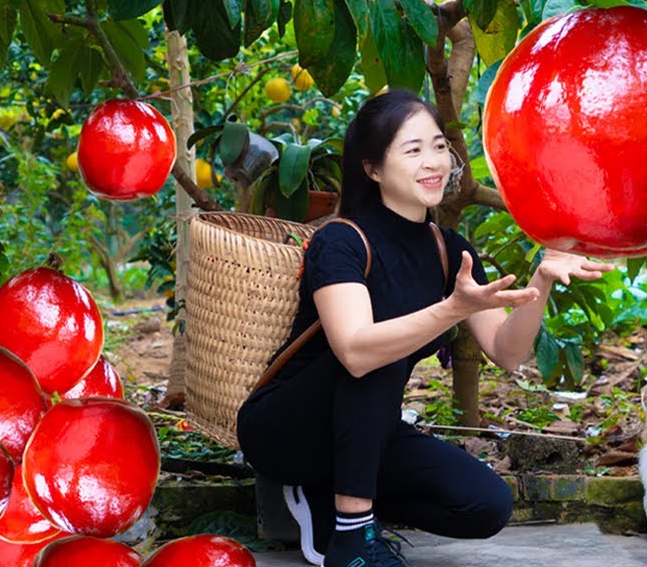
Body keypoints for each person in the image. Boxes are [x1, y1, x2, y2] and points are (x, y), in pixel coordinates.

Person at [236, 90, 611, 567]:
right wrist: (451, 309)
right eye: (412, 150)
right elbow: (355, 351)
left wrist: (542, 278)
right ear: (372, 169)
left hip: (364, 433)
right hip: (287, 430)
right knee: (380, 350)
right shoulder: (340, 241)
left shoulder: (446, 249)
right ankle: (351, 539)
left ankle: (334, 500)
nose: (433, 161)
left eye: (438, 146)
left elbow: (507, 351)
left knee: (486, 506)